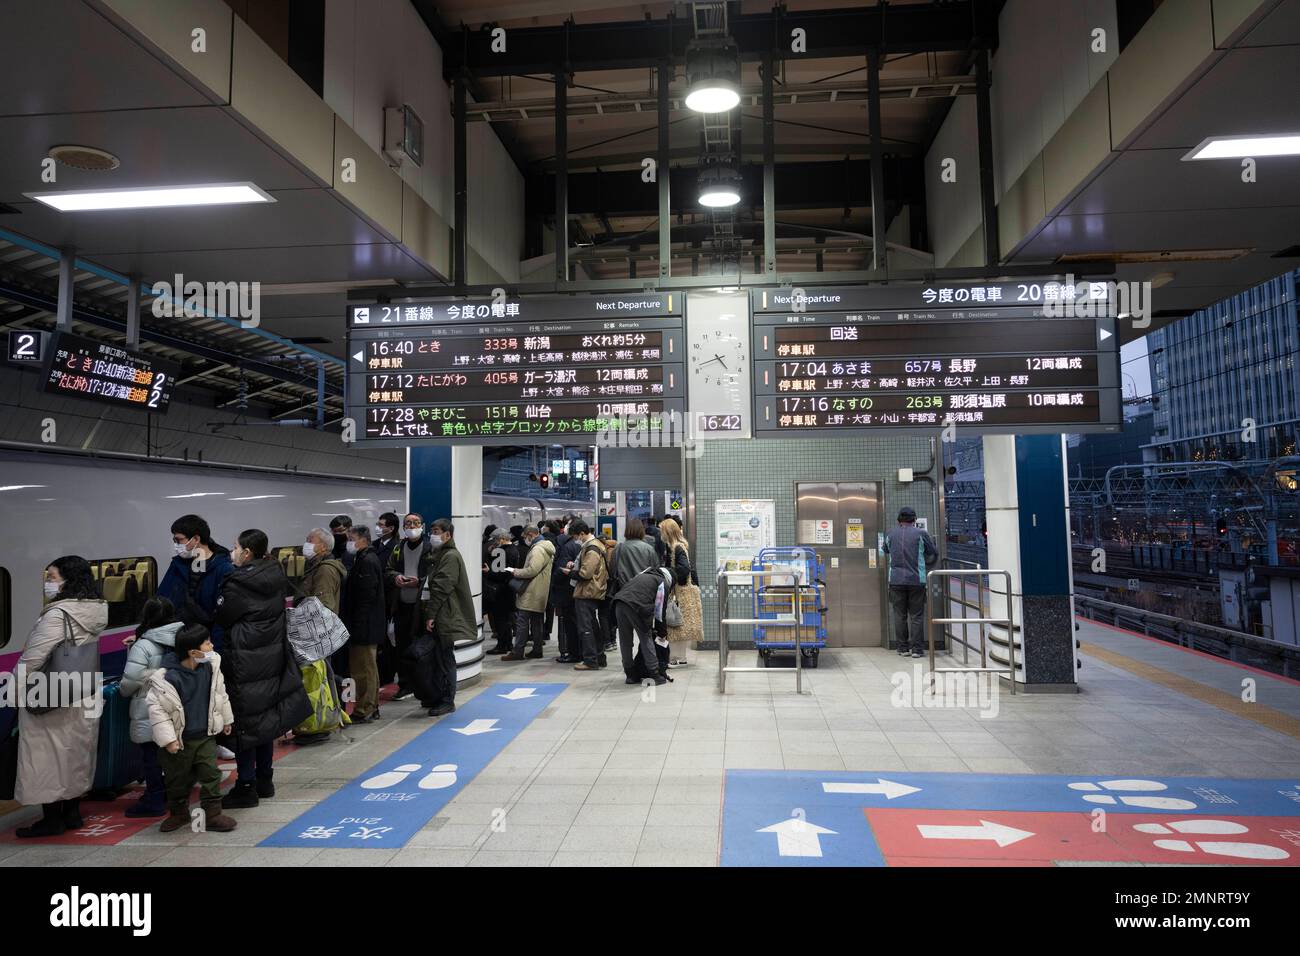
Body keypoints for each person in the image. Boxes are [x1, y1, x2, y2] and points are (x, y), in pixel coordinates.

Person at [214, 529, 311, 809]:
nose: (232, 552)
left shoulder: (237, 583)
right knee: (266, 720)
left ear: (247, 552)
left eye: (235, 547)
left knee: (245, 723)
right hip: (271, 655)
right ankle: (265, 780)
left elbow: (223, 616)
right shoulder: (274, 576)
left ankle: (246, 785)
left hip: (244, 659)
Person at [14, 556, 106, 838]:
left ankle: (51, 820)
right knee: (76, 753)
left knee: (45, 756)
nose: (48, 583)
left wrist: (14, 690)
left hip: (51, 694)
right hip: (83, 691)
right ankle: (72, 813)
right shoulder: (97, 609)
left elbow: (34, 657)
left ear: (68, 580)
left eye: (52, 577)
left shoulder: (58, 614)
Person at [145, 624, 238, 833]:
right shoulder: (166, 679)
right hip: (179, 740)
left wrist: (227, 720)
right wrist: (169, 740)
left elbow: (220, 695)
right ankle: (178, 813)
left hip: (205, 736)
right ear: (193, 652)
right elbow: (157, 712)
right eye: (207, 643)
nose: (212, 646)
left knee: (211, 774)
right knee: (177, 779)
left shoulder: (211, 666)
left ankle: (213, 815)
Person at [118, 597, 184, 818]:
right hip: (177, 705)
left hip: (149, 710)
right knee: (173, 754)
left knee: (151, 758)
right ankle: (172, 794)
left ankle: (155, 799)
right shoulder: (184, 637)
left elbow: (128, 684)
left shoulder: (143, 645)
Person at [420, 519, 474, 716]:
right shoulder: (439, 555)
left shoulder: (450, 556)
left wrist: (431, 614)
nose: (432, 535)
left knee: (445, 658)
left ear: (447, 535)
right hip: (441, 613)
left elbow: (442, 588)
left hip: (445, 614)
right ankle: (439, 695)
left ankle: (447, 700)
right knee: (439, 658)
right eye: (432, 531)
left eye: (436, 531)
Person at [158, 514, 233, 650]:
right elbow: (161, 601)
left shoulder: (223, 569)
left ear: (196, 539)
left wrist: (214, 650)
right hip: (176, 642)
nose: (176, 545)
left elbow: (223, 616)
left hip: (205, 644)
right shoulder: (178, 564)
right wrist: (145, 632)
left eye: (179, 540)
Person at [386, 512, 435, 700]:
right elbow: (388, 570)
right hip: (401, 605)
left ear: (423, 525)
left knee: (421, 646)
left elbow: (435, 575)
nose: (411, 526)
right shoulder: (399, 548)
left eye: (415, 523)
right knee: (402, 646)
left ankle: (423, 683)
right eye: (408, 523)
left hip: (421, 607)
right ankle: (405, 684)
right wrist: (396, 577)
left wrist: (419, 581)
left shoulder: (430, 548)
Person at [340, 524, 385, 723]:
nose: (348, 543)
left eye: (351, 538)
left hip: (365, 625)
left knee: (364, 668)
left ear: (362, 540)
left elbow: (366, 597)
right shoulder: (363, 558)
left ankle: (365, 709)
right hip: (364, 624)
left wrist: (356, 625)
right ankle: (369, 706)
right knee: (366, 667)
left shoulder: (366, 561)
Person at [882, 506, 939, 658]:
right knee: (916, 616)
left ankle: (902, 648)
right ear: (914, 520)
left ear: (898, 520)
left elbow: (885, 550)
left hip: (895, 580)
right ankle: (917, 650)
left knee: (899, 615)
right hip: (916, 580)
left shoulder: (890, 534)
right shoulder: (921, 533)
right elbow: (932, 551)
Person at [613, 566, 673, 686]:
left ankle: (630, 675)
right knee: (646, 637)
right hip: (636, 606)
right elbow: (660, 612)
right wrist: (662, 632)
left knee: (625, 640)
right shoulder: (662, 582)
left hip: (619, 603)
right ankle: (654, 674)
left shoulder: (642, 575)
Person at [502, 525, 554, 661]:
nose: (525, 539)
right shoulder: (545, 547)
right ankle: (537, 650)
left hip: (531, 590)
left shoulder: (538, 549)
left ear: (531, 534)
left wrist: (515, 571)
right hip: (539, 590)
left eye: (525, 536)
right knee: (537, 622)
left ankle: (517, 651)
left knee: (522, 622)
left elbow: (532, 570)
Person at [565, 519, 608, 671]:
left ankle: (590, 660)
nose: (576, 540)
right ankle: (599, 657)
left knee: (586, 627)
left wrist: (570, 573)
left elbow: (586, 573)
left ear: (582, 534)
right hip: (592, 590)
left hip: (587, 591)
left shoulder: (591, 548)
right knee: (593, 626)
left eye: (576, 536)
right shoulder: (595, 545)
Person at [659, 516, 698, 667]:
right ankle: (680, 657)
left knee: (674, 625)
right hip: (681, 590)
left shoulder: (676, 548)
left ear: (668, 532)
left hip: (679, 591)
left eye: (662, 530)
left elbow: (683, 570)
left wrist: (668, 573)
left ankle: (674, 658)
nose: (660, 533)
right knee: (679, 624)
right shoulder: (680, 546)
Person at [483, 527, 520, 654]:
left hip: (501, 591)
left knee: (501, 620)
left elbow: (502, 573)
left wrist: (489, 572)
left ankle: (502, 645)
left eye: (496, 540)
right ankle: (507, 644)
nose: (494, 543)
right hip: (508, 590)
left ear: (503, 539)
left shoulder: (504, 552)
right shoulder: (514, 549)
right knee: (506, 620)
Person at [549, 519, 581, 663]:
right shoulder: (580, 545)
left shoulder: (566, 548)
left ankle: (572, 653)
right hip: (576, 589)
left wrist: (554, 580)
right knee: (576, 622)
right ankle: (578, 651)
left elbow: (561, 571)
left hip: (566, 591)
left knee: (569, 624)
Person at [298, 528, 346, 614]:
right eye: (306, 540)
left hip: (315, 624)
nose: (306, 544)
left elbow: (323, 606)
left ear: (323, 547)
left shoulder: (325, 570)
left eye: (310, 541)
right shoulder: (314, 565)